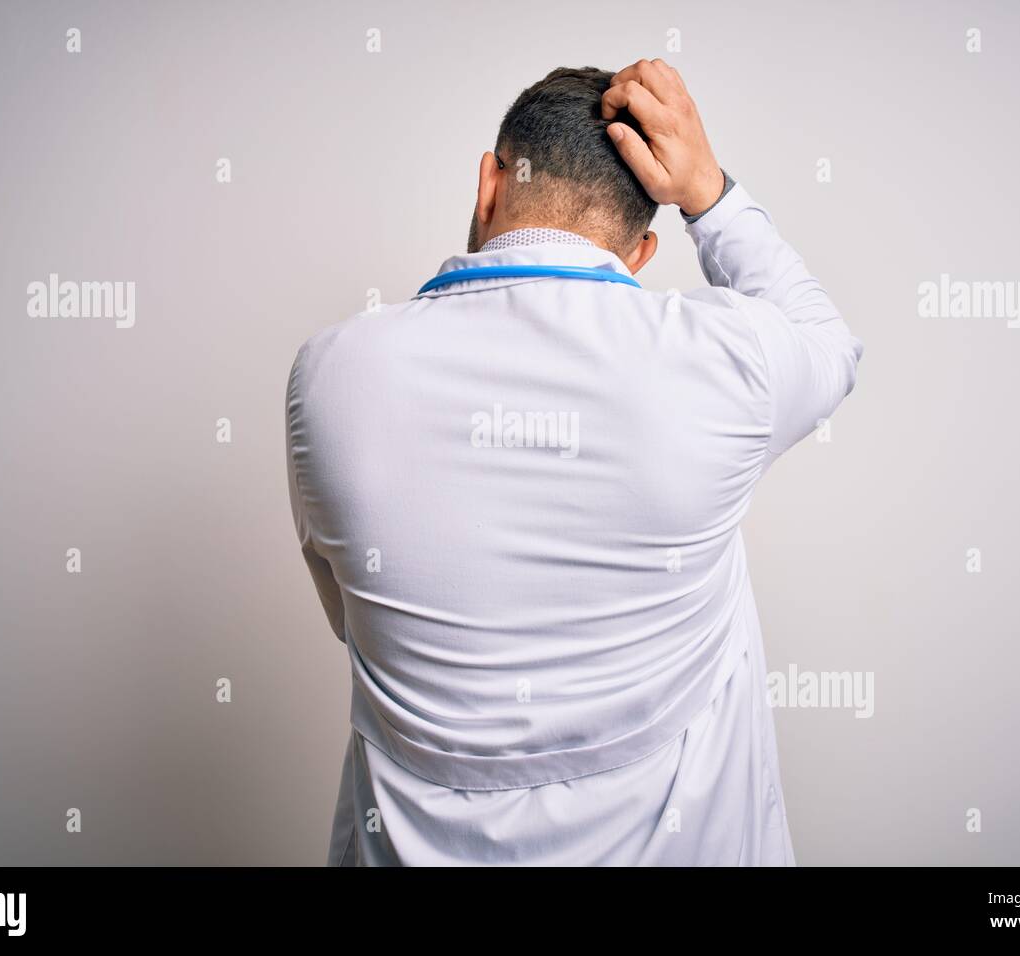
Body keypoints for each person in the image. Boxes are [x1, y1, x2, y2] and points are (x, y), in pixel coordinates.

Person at [285, 60, 863, 865]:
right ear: (643, 251)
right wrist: (711, 191)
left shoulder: (329, 376)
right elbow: (828, 343)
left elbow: (354, 622)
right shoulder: (722, 364)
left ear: (489, 184)